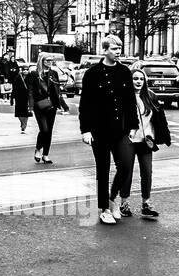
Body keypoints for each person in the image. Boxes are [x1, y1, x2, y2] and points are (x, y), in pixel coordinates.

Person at [79, 35, 136, 225]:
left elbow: (130, 102)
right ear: (104, 50)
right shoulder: (92, 73)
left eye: (119, 49)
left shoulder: (125, 72)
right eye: (114, 49)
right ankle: (104, 209)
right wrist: (85, 130)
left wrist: (134, 125)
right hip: (99, 130)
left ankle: (113, 200)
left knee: (126, 165)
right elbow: (85, 104)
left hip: (120, 129)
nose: (118, 52)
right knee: (102, 169)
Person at [109, 65, 169, 219]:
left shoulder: (150, 96)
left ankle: (146, 203)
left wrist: (161, 136)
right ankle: (124, 203)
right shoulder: (123, 96)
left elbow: (159, 118)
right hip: (127, 140)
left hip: (145, 141)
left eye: (141, 79)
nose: (138, 81)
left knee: (147, 171)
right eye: (135, 78)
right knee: (126, 171)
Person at [31, 60, 69, 164]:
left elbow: (57, 91)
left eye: (51, 60)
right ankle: (38, 149)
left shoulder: (53, 73)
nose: (50, 62)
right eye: (47, 60)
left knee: (49, 131)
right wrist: (29, 106)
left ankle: (45, 154)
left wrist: (63, 104)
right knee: (44, 129)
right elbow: (30, 90)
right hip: (39, 106)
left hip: (51, 105)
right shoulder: (35, 73)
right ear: (42, 61)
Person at [11, 66, 31, 133]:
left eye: (27, 70)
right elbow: (14, 87)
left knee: (26, 113)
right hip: (18, 97)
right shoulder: (17, 77)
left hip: (27, 97)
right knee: (19, 113)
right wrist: (12, 98)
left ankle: (24, 126)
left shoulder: (30, 77)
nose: (25, 71)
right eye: (24, 70)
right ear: (21, 70)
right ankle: (22, 122)